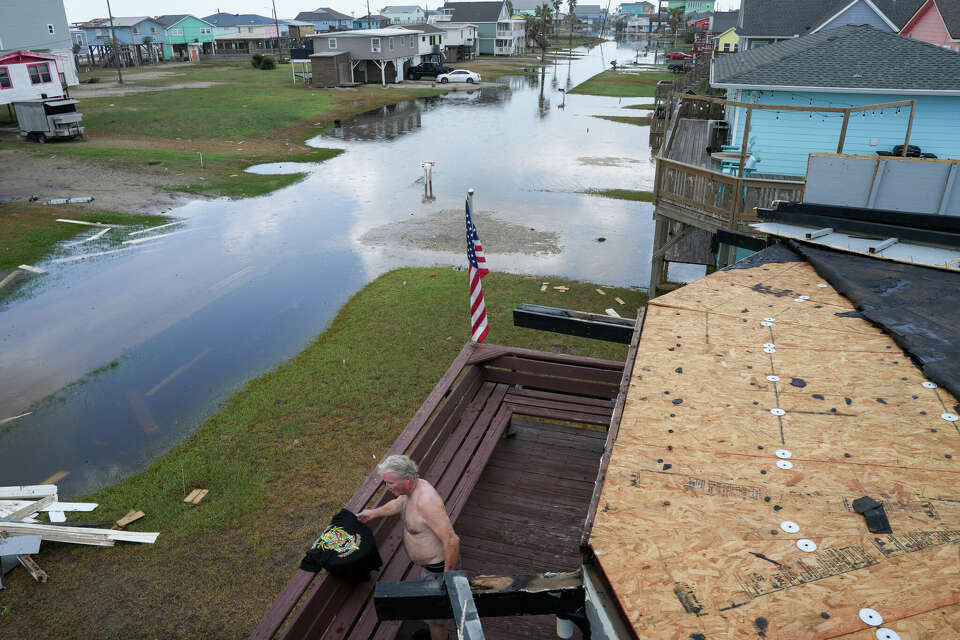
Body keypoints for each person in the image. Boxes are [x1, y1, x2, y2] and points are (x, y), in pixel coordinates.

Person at [358, 455, 460, 640]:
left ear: (407, 479)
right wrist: (373, 513)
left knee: (436, 619)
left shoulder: (426, 502)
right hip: (429, 568)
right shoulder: (409, 491)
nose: (387, 488)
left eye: (390, 483)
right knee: (433, 614)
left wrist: (448, 578)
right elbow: (397, 504)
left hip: (439, 570)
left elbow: (452, 541)